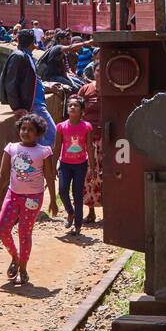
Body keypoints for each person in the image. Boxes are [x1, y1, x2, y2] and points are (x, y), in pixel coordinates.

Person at [0, 113, 58, 285]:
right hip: (12, 195)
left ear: (39, 133)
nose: (26, 132)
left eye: (30, 130)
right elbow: (2, 173)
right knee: (3, 228)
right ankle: (15, 256)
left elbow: (49, 176)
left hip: (33, 198)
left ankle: (23, 268)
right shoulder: (11, 148)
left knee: (24, 233)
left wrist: (53, 200)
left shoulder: (44, 152)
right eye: (23, 128)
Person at [0, 28, 59, 150]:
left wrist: (46, 87)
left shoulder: (27, 56)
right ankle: (41, 163)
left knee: (41, 139)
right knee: (52, 135)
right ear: (32, 42)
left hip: (36, 103)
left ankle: (39, 164)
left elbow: (32, 80)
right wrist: (17, 107)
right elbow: (11, 83)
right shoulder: (18, 56)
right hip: (33, 106)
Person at [56, 96, 94, 234]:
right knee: (62, 190)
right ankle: (70, 212)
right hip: (65, 165)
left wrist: (93, 167)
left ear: (82, 111)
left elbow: (89, 147)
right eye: (70, 105)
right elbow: (57, 147)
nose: (72, 107)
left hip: (80, 165)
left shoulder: (87, 127)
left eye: (76, 106)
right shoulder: (61, 127)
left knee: (77, 194)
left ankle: (78, 225)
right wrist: (54, 164)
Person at [77, 71, 102, 226]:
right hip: (88, 139)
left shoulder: (112, 89)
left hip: (107, 140)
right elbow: (77, 110)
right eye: (98, 70)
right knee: (88, 175)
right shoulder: (85, 90)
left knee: (106, 175)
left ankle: (110, 211)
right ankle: (91, 212)